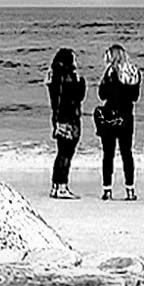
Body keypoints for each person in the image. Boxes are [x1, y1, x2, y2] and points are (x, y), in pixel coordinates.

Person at [94, 42, 139, 200]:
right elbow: (135, 97)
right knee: (127, 154)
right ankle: (130, 189)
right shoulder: (134, 73)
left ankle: (107, 190)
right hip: (127, 117)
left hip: (110, 117)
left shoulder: (110, 73)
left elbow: (103, 95)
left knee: (108, 155)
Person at [45, 48, 83, 198]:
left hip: (58, 117)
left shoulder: (53, 76)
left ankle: (55, 186)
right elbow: (76, 96)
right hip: (70, 118)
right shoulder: (68, 77)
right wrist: (81, 82)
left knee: (61, 152)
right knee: (67, 153)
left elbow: (57, 100)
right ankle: (62, 186)